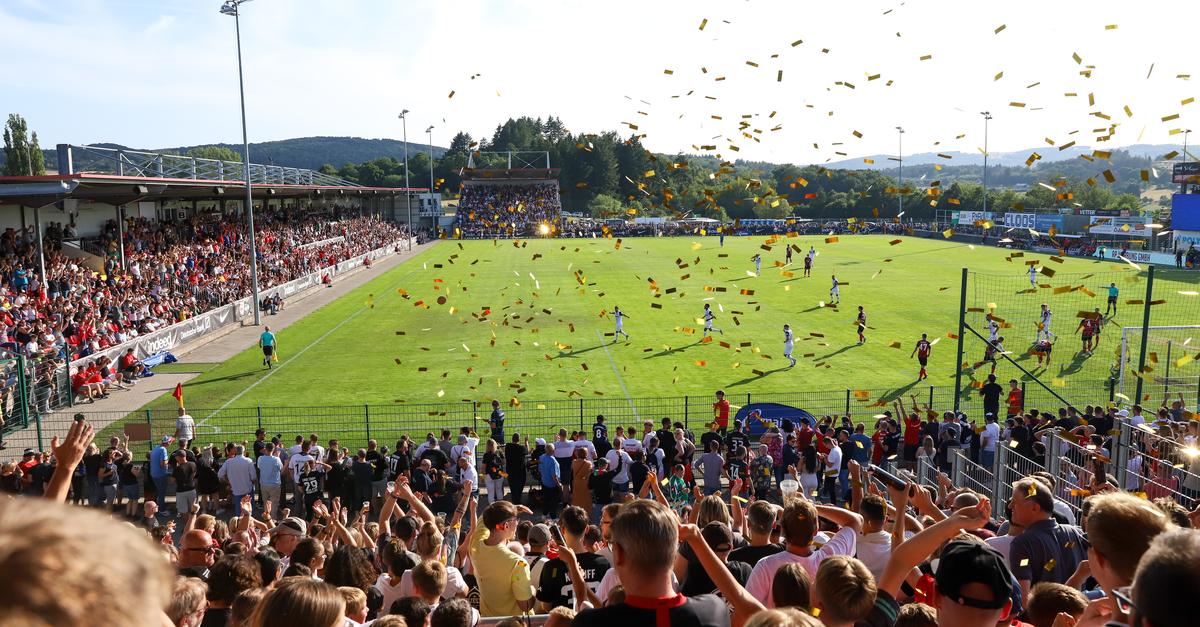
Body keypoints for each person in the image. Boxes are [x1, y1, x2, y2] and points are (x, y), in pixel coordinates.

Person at [573, 499, 730, 627]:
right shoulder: (712, 612)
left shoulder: (590, 622)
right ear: (673, 552)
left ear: (619, 554)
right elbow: (751, 608)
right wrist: (696, 537)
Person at [745, 497, 862, 606]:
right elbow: (856, 520)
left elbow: (746, 612)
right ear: (816, 530)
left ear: (783, 530)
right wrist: (812, 507)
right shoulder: (831, 558)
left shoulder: (765, 566)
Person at [1008, 477, 1088, 605]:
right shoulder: (1075, 533)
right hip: (1076, 618)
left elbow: (1022, 601)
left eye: (1015, 502)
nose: (1010, 505)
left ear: (1035, 508)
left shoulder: (1023, 544)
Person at [469, 500, 536, 617]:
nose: (517, 523)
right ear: (506, 526)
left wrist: (512, 509)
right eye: (516, 520)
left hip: (489, 621)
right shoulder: (518, 563)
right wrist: (533, 591)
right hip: (514, 623)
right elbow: (525, 605)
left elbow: (485, 517)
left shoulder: (475, 545)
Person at [537, 506, 610, 610]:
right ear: (587, 529)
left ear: (562, 530)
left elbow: (546, 606)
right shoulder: (602, 563)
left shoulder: (551, 566)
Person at [540, 441, 563, 519]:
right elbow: (554, 475)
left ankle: (544, 515)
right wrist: (558, 484)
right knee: (553, 502)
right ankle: (553, 517)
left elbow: (539, 469)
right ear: (553, 451)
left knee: (546, 500)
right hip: (552, 485)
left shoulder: (541, 457)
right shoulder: (553, 461)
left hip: (544, 482)